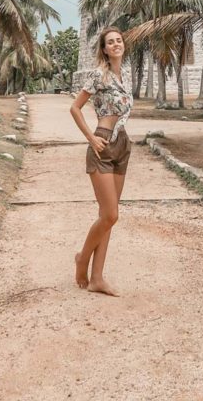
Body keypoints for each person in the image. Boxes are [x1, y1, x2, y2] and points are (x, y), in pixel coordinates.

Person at [70, 26, 133, 296]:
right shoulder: (99, 74)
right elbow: (75, 108)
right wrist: (90, 138)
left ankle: (97, 278)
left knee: (107, 218)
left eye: (119, 40)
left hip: (122, 145)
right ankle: (82, 258)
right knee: (110, 214)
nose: (117, 44)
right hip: (102, 144)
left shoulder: (125, 75)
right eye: (111, 42)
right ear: (104, 49)